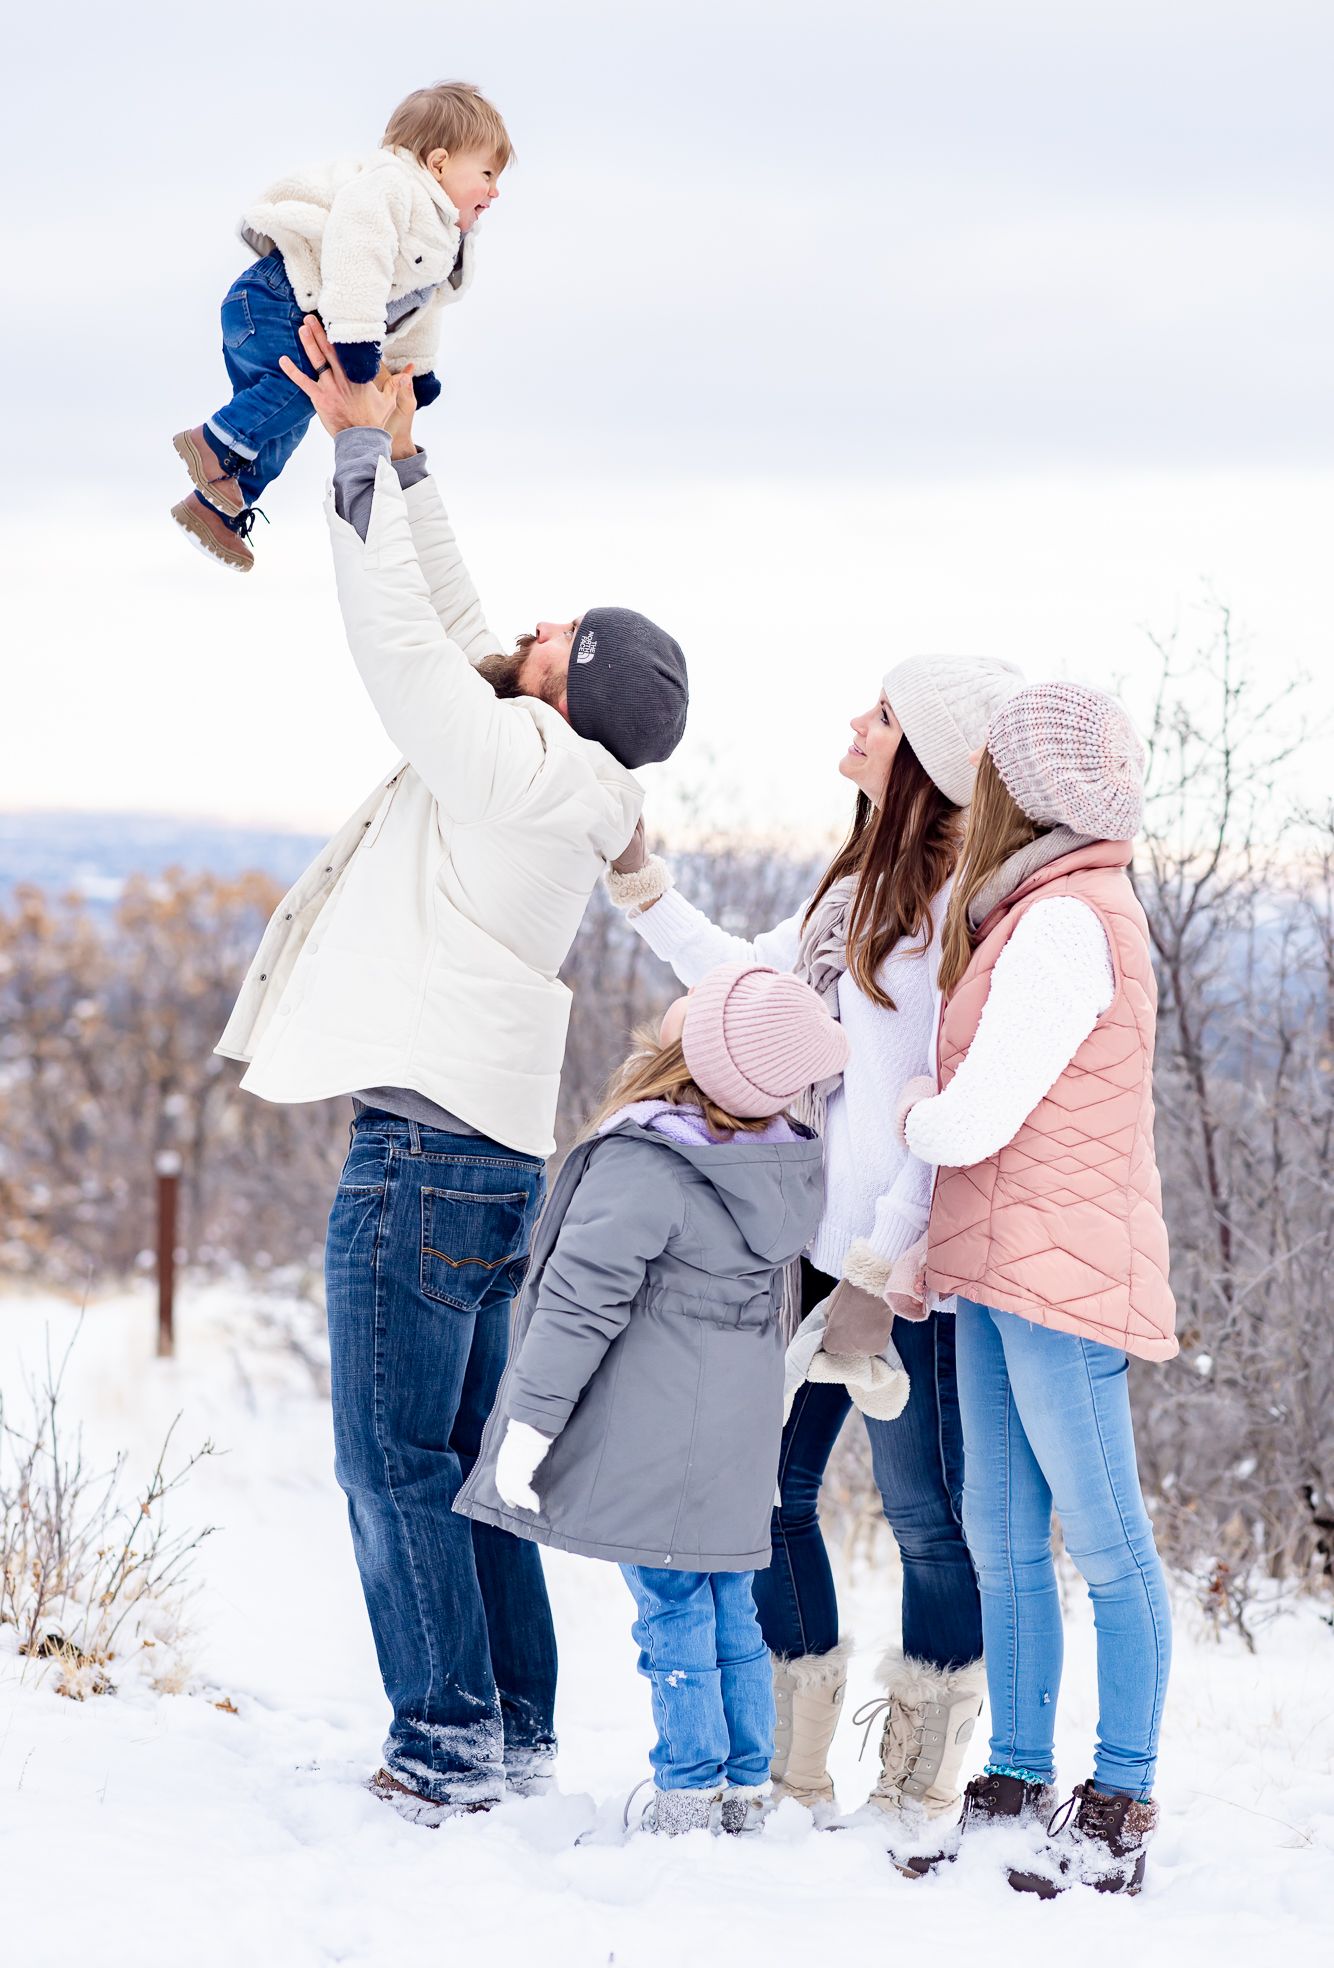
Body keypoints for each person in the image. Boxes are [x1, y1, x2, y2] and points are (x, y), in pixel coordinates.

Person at [214, 326, 689, 1822]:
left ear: (568, 696)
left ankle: (441, 1746)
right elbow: (468, 623)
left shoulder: (523, 767)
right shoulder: (557, 767)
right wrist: (405, 455)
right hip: (478, 1161)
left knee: (387, 1461)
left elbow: (406, 654)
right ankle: (513, 1727)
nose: (536, 630)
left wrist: (351, 460)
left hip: (424, 1158)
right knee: (472, 1464)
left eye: (560, 643)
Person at [608, 654, 1022, 1843]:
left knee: (926, 1516)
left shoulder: (960, 911)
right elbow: (752, 983)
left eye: (880, 715)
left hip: (903, 1268)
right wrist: (642, 887)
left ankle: (917, 1774)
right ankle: (793, 1760)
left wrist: (882, 1268)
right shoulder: (855, 889)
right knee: (763, 1495)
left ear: (931, 758)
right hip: (799, 1250)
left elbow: (939, 1104)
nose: (854, 722)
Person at [455, 962, 848, 1836]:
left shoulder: (650, 1165)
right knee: (729, 1608)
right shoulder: (784, 1165)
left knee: (672, 1613)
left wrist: (525, 1430)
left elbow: (573, 1310)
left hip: (660, 1437)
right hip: (741, 1438)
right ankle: (746, 1787)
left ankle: (686, 1794)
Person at [900, 681, 1175, 1896]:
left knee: (1107, 1546)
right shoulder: (1035, 908)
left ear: (1026, 789)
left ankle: (1116, 1798)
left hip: (1055, 1284)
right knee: (1002, 1540)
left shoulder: (1067, 921)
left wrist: (905, 1114)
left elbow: (974, 1114)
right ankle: (1014, 1780)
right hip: (999, 1273)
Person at [172, 82, 510, 572]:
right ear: (438, 163)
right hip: (276, 299)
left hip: (289, 314)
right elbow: (358, 254)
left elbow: (417, 307)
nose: (495, 191)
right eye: (486, 174)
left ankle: (215, 506)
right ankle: (213, 441)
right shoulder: (393, 187)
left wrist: (412, 371)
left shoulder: (446, 238)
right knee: (306, 391)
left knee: (287, 424)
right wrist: (355, 339)